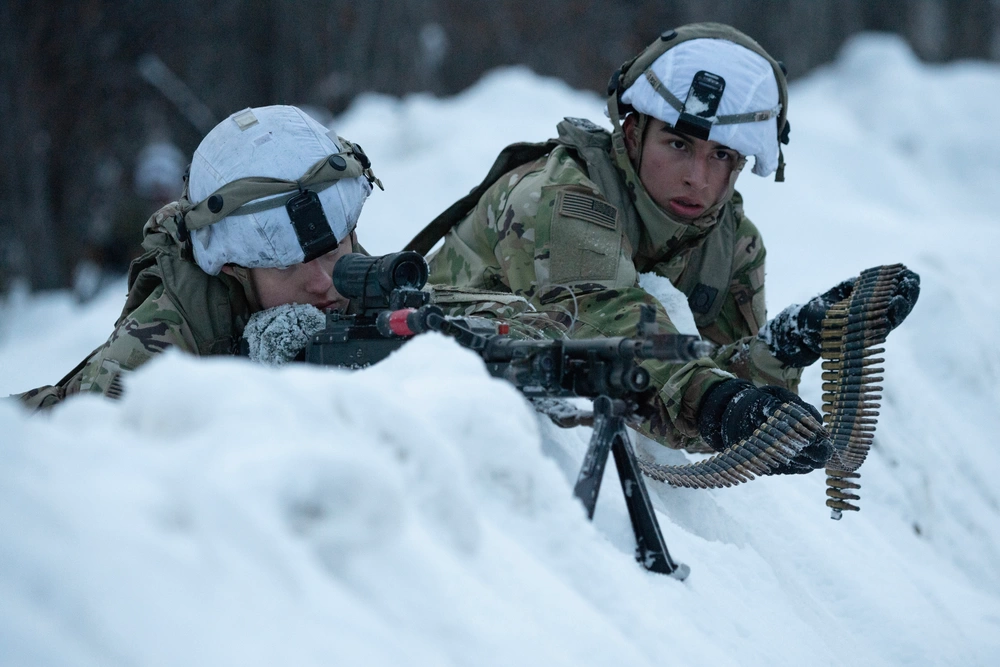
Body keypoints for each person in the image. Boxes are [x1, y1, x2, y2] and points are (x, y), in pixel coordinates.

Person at [409, 23, 919, 470]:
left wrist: (791, 343)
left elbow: (703, 381)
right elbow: (605, 321)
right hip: (437, 406)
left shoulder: (731, 245)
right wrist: (722, 404)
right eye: (678, 145)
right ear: (632, 132)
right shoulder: (560, 195)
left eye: (721, 155)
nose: (698, 178)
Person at [15, 104, 381, 411]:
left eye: (332, 251)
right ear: (234, 269)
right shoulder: (162, 343)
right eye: (285, 265)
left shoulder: (359, 277)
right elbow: (93, 466)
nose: (323, 283)